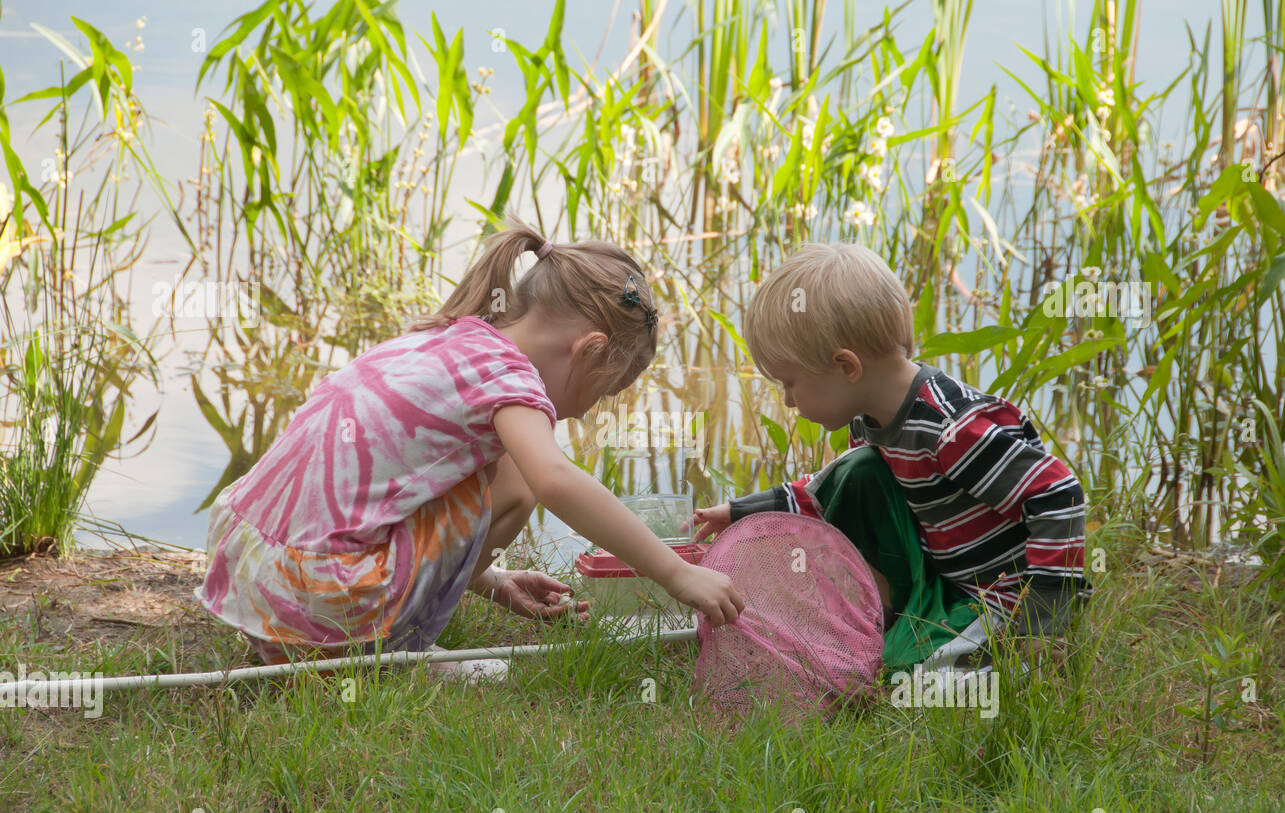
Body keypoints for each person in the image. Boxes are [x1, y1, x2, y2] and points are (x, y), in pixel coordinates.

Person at [195, 218, 744, 680]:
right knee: (522, 478)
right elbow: (554, 480)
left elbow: (389, 489)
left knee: (499, 461)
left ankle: (314, 641)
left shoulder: (452, 337)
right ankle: (378, 654)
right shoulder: (509, 378)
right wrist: (677, 573)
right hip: (317, 595)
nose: (583, 413)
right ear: (589, 349)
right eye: (601, 392)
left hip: (254, 565)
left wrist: (492, 582)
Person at [691, 243, 1091, 680]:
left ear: (846, 366)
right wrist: (737, 512)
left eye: (790, 383)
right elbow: (823, 488)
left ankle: (991, 651)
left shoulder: (949, 430)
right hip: (940, 579)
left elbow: (1058, 494)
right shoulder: (869, 420)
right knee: (858, 470)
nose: (788, 401)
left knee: (912, 680)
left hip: (1001, 598)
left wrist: (1045, 615)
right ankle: (890, 616)